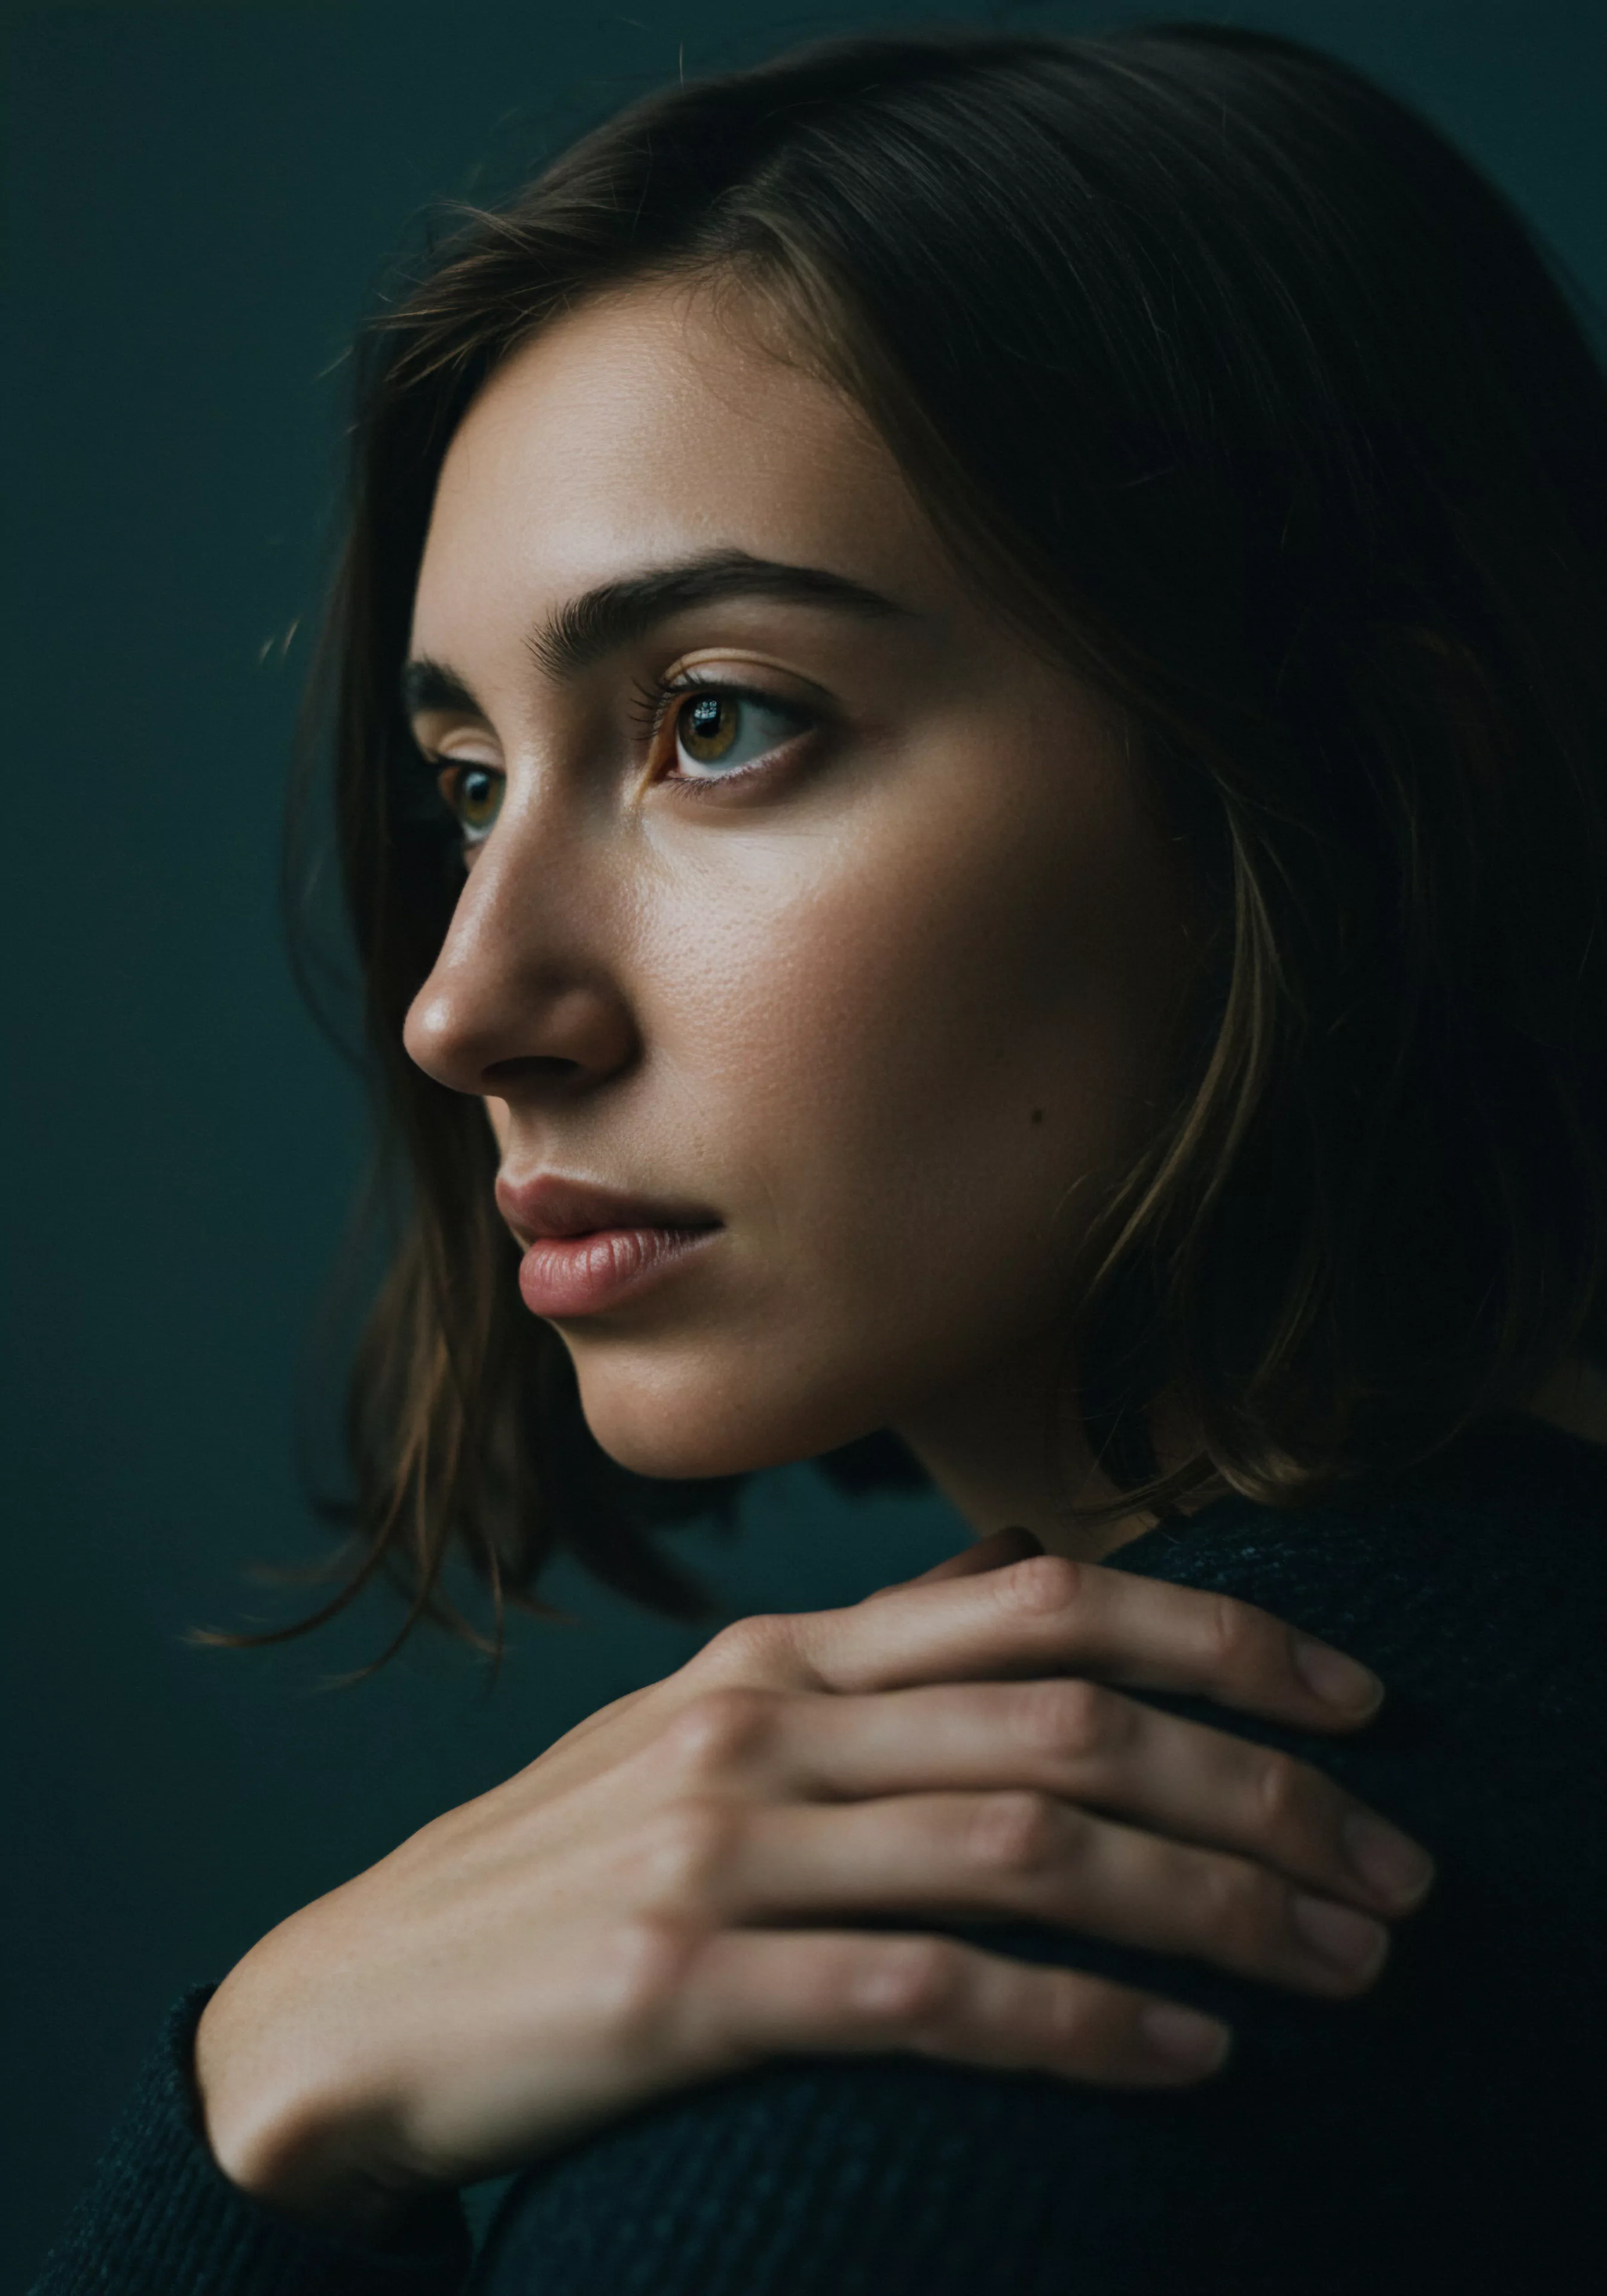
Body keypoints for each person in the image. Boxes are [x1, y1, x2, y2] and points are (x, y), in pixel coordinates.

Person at [34, 22, 1606, 2295]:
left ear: (1364, 793)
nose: (466, 1006)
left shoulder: (931, 2060)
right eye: (468, 782)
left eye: (717, 723)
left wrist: (245, 2139)